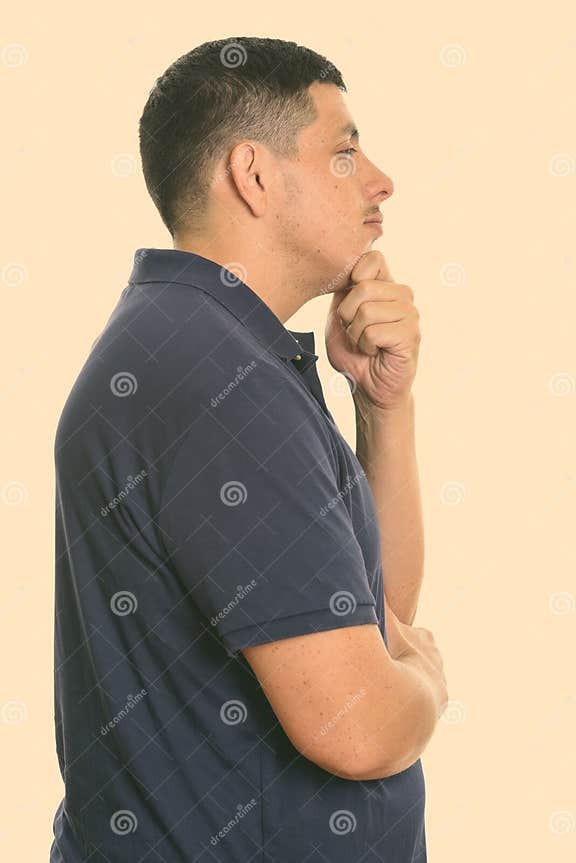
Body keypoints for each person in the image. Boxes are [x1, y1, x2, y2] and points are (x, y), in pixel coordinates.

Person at [50, 35, 448, 862]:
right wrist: (429, 689)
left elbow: (376, 615)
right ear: (254, 174)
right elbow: (360, 726)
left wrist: (383, 407)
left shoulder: (209, 348)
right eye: (344, 151)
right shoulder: (216, 383)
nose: (380, 180)